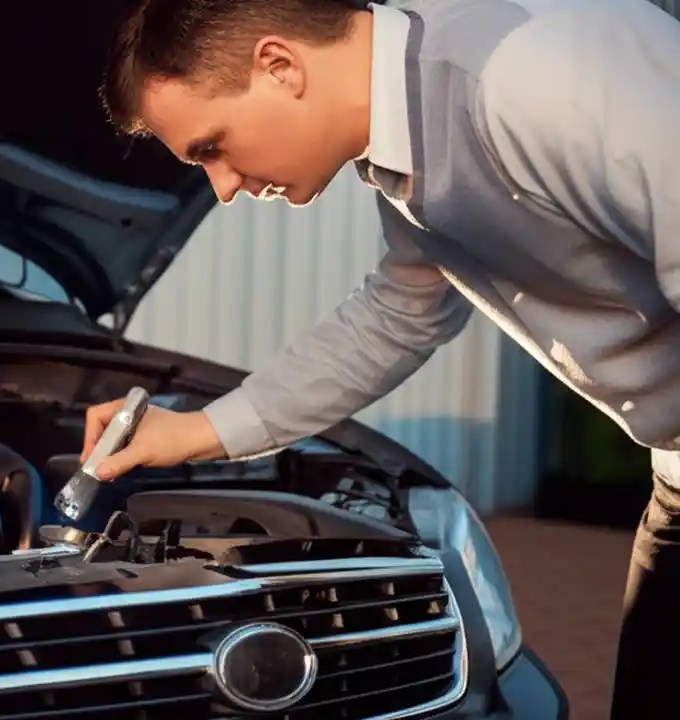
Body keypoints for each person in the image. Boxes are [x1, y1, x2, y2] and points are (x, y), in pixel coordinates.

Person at [80, 0, 679, 716]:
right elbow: (401, 314)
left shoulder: (532, 74)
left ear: (279, 66)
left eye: (212, 147)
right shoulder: (411, 131)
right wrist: (195, 433)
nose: (223, 187)